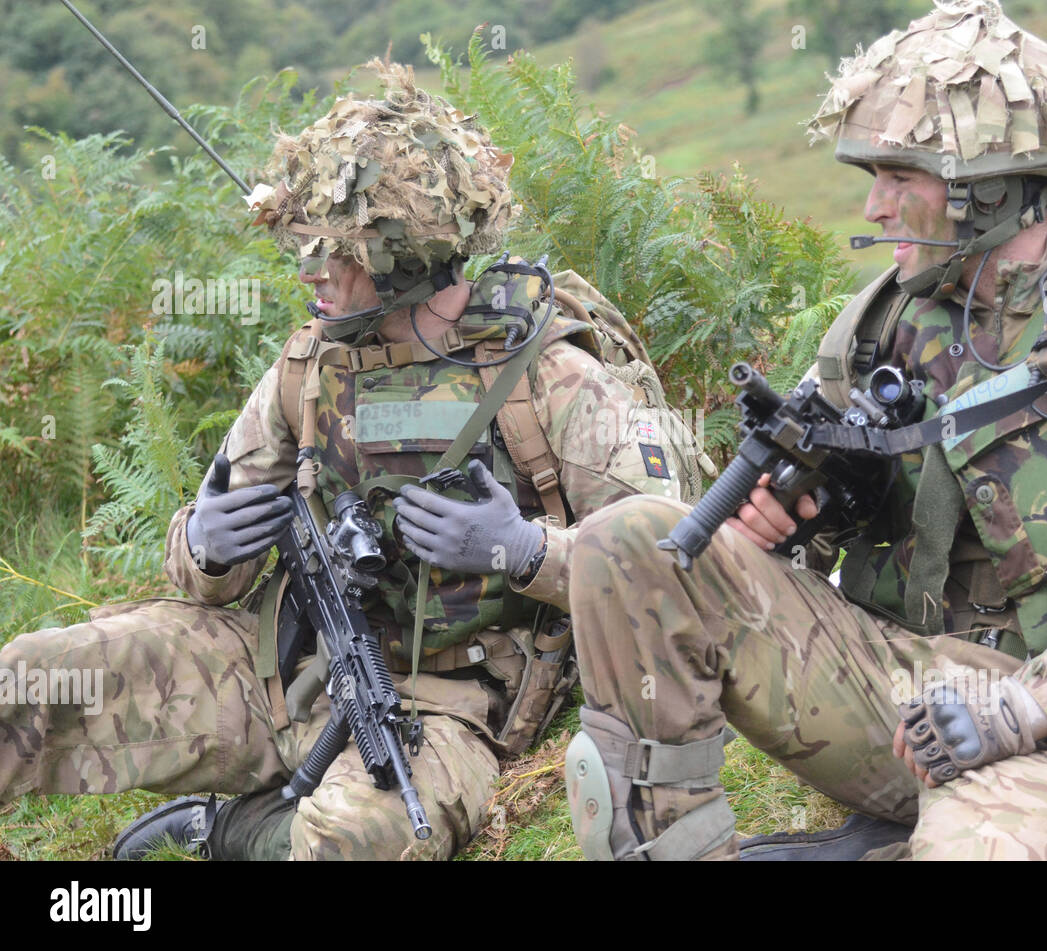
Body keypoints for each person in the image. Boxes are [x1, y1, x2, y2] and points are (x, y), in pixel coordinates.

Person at [562, 0, 1047, 860]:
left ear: (989, 187)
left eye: (899, 177)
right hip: (900, 684)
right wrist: (808, 513)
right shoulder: (882, 323)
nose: (873, 207)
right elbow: (805, 501)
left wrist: (1030, 707)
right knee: (632, 545)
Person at [0, 59, 701, 861]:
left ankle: (231, 830)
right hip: (284, 669)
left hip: (447, 710)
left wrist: (523, 549)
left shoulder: (548, 377)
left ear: (403, 255)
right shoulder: (310, 366)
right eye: (303, 247)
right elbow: (200, 570)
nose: (309, 273)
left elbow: (671, 563)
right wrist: (206, 544)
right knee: (28, 679)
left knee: (348, 844)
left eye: (334, 254)